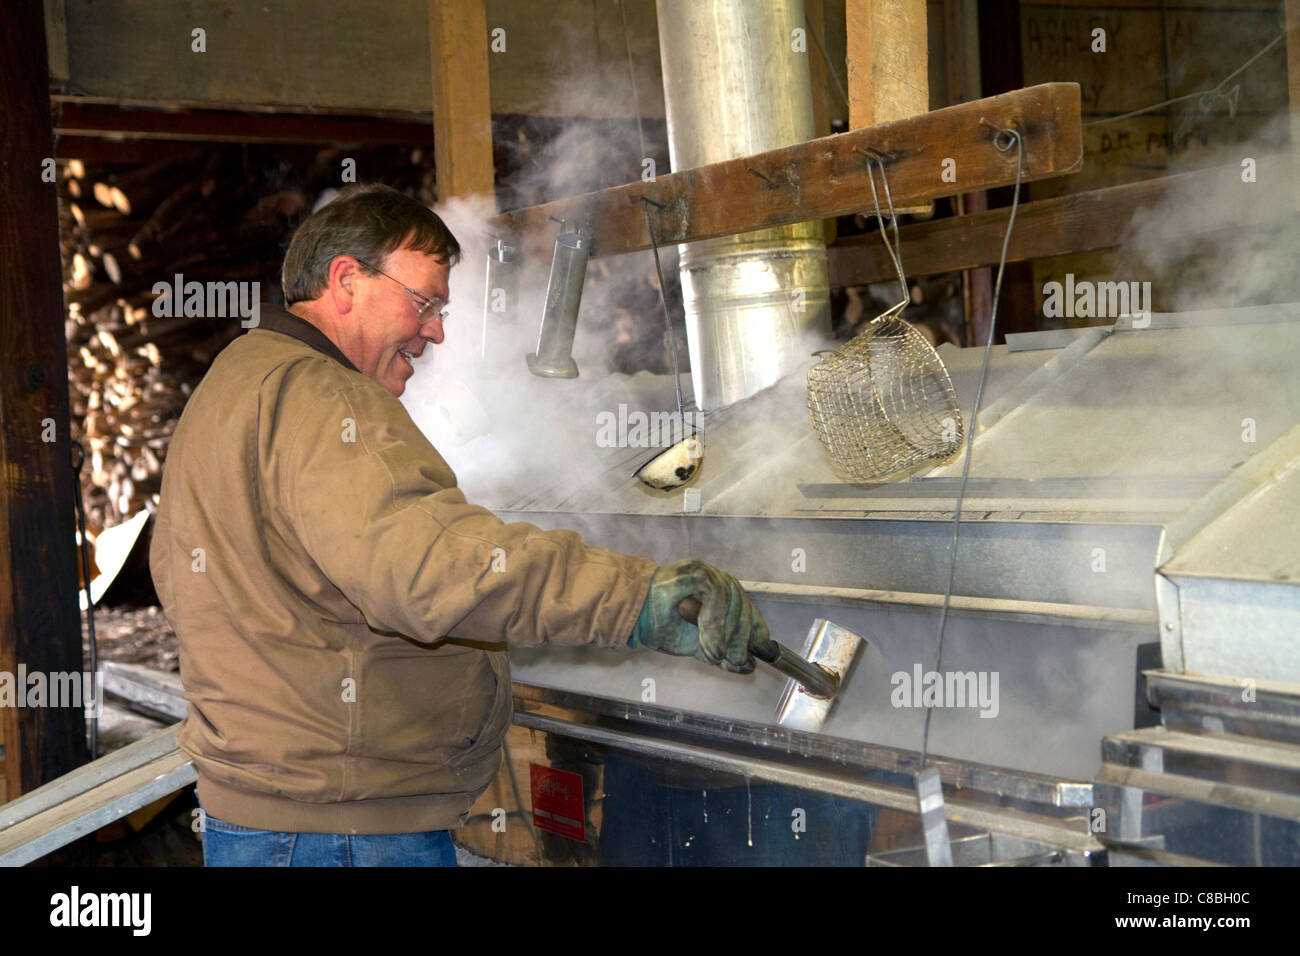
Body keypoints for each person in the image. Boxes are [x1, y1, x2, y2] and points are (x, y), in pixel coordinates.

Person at [148, 183, 769, 867]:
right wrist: (633, 598)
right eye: (424, 303)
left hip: (273, 813)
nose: (437, 330)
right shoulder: (326, 397)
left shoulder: (235, 380)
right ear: (346, 280)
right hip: (345, 828)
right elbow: (428, 569)